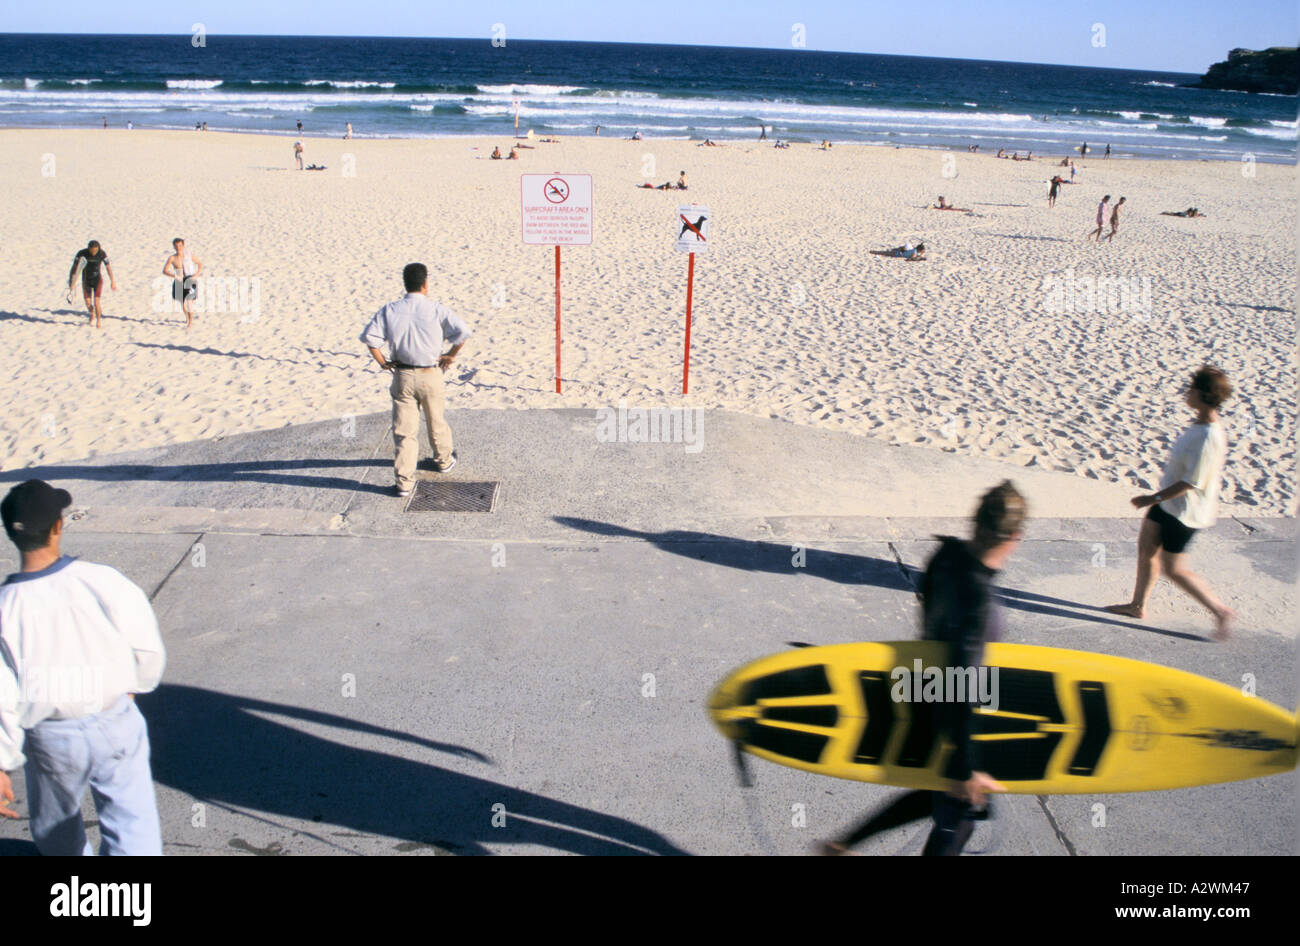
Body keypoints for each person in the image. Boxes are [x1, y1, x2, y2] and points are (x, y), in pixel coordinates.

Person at [820, 481, 1025, 856]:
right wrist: (965, 764)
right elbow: (963, 676)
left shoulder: (946, 556)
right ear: (1015, 536)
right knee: (956, 813)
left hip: (923, 688)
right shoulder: (978, 596)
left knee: (933, 789)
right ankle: (843, 845)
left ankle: (843, 845)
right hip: (954, 710)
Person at [0, 480, 166, 855]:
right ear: (58, 527)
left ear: (10, 533)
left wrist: (3, 760)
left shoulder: (5, 607)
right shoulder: (101, 579)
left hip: (51, 734)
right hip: (115, 719)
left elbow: (2, 694)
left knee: (55, 821)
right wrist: (135, 684)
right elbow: (146, 644)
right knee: (131, 815)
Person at [1106, 368, 1235, 639]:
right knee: (1145, 551)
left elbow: (1191, 483)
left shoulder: (1209, 437)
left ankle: (1220, 611)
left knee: (1174, 570)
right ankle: (1137, 605)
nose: (1187, 393)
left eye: (1192, 389)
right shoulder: (1200, 424)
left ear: (1204, 394)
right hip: (1168, 503)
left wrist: (1150, 498)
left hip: (1185, 512)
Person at [360, 262, 473, 496]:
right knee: (436, 420)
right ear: (425, 284)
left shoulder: (390, 309)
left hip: (402, 374)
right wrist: (450, 355)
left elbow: (371, 340)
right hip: (430, 372)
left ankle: (404, 482)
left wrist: (383, 363)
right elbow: (463, 333)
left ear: (405, 283)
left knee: (404, 431)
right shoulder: (436, 309)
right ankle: (443, 460)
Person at [67, 240, 116, 329]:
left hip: (97, 279)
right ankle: (92, 312)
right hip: (86, 280)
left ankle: (98, 321)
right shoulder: (81, 253)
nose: (94, 253)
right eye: (92, 251)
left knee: (97, 302)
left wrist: (112, 281)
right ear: (88, 249)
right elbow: (74, 268)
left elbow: (108, 267)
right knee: (88, 303)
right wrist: (71, 282)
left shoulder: (102, 254)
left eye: (95, 251)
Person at [163, 237, 203, 328]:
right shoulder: (172, 258)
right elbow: (164, 271)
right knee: (182, 303)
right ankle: (187, 317)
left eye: (180, 245)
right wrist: (175, 276)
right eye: (176, 246)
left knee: (189, 302)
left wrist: (196, 274)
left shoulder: (188, 254)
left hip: (190, 278)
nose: (178, 247)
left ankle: (190, 323)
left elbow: (200, 263)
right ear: (173, 247)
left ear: (183, 245)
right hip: (179, 279)